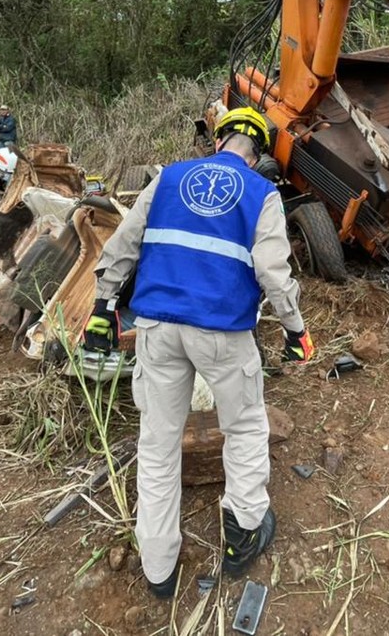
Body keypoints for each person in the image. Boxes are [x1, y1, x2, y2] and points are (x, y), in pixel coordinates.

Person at [85, 107, 311, 598]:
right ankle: (241, 535)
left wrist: (102, 308)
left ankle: (159, 566)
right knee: (246, 427)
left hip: (158, 328)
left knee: (159, 443)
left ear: (220, 140)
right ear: (257, 155)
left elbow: (124, 242)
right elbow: (273, 272)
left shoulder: (168, 178)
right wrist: (295, 330)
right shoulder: (261, 192)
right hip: (222, 334)